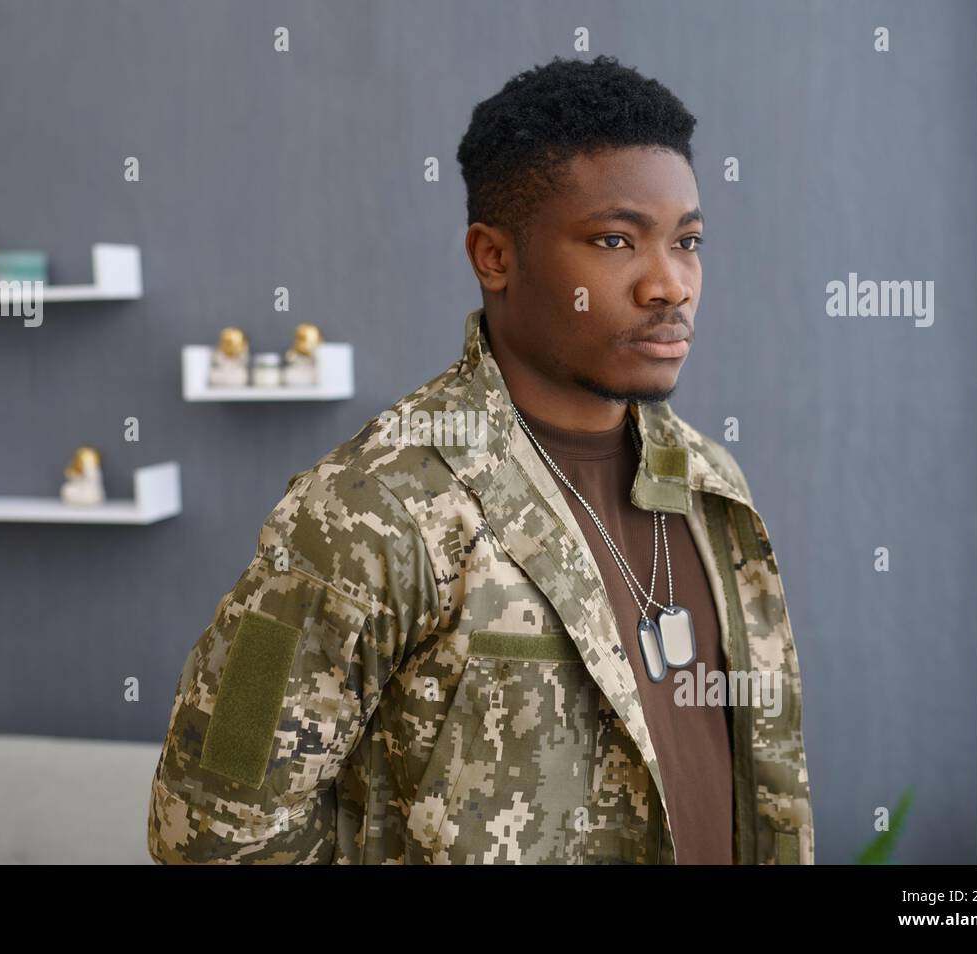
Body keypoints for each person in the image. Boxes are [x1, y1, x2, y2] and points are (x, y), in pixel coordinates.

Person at [148, 54, 813, 864]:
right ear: (494, 256)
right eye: (615, 240)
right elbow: (208, 830)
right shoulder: (364, 506)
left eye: (689, 242)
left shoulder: (712, 487)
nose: (670, 284)